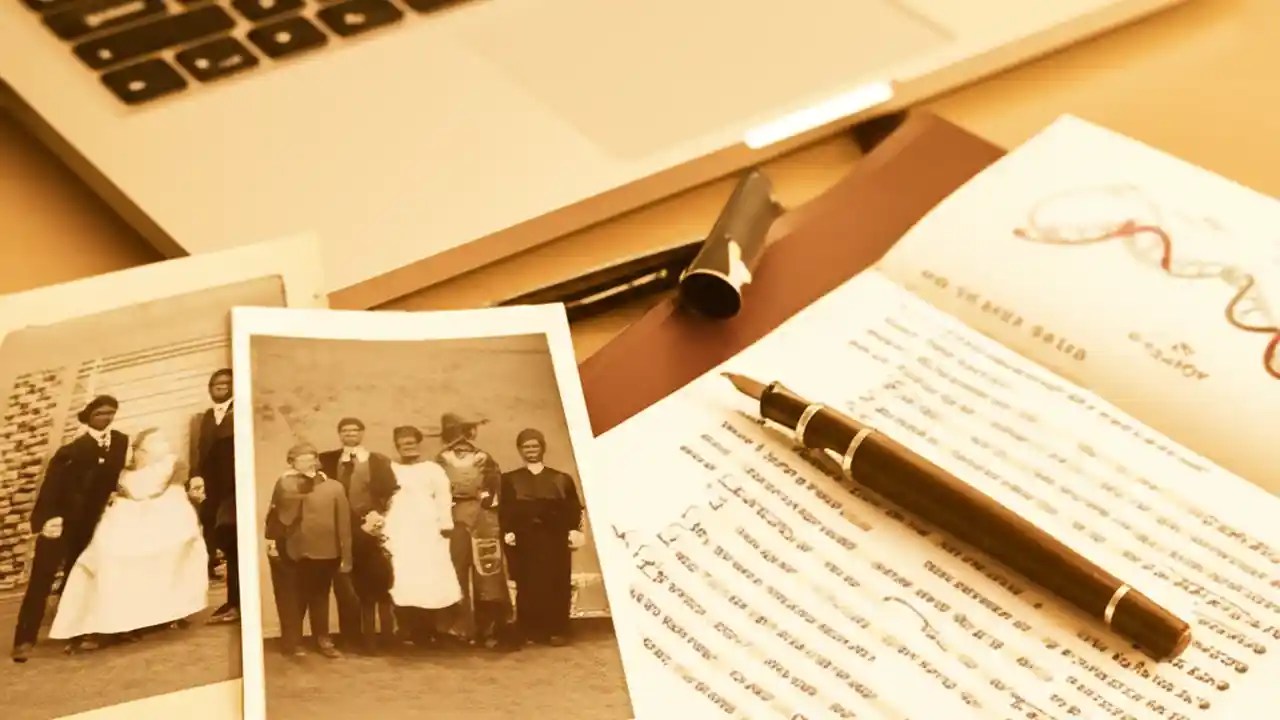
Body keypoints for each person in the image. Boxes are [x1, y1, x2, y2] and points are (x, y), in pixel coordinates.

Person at [48, 428, 208, 643]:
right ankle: (101, 621)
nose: (140, 455)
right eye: (140, 450)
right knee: (106, 557)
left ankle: (162, 613)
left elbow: (168, 501)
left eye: (146, 450)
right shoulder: (122, 475)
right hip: (124, 524)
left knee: (164, 556)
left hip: (160, 526)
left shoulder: (167, 471)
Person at [11, 395, 128, 662]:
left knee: (80, 577)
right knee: (42, 578)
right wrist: (46, 521)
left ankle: (75, 630)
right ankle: (24, 639)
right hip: (61, 521)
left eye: (111, 413)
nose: (106, 418)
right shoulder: (71, 450)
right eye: (100, 414)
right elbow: (51, 487)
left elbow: (114, 475)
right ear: (88, 417)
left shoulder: (120, 441)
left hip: (92, 523)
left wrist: (114, 492)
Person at [265, 442, 352, 659]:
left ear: (316, 460)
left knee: (320, 596)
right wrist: (273, 543)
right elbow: (277, 517)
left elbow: (344, 523)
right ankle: (292, 642)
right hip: (293, 550)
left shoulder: (334, 487)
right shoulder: (285, 484)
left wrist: (345, 554)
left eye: (309, 457)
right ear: (291, 462)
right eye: (299, 459)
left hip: (325, 552)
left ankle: (323, 639)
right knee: (293, 597)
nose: (305, 462)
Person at [318, 417, 398, 652]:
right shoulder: (327, 460)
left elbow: (388, 491)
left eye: (354, 430)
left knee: (374, 581)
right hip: (338, 527)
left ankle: (380, 639)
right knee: (344, 583)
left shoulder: (377, 461)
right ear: (339, 434)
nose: (350, 434)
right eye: (345, 431)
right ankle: (350, 637)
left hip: (368, 527)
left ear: (362, 433)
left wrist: (377, 517)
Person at [499, 428, 585, 647]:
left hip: (554, 539)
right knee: (527, 583)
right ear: (520, 450)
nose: (531, 451)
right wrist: (508, 530)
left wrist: (573, 530)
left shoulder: (560, 478)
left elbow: (572, 507)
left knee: (557, 581)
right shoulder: (510, 479)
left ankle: (557, 630)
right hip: (526, 539)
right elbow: (506, 508)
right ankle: (530, 630)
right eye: (526, 447)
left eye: (534, 446)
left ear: (542, 448)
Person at [434, 412, 512, 649]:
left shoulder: (484, 458)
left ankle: (490, 628)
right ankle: (457, 629)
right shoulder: (440, 460)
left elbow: (495, 485)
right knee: (453, 570)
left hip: (482, 516)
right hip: (451, 516)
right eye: (453, 434)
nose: (459, 440)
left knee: (487, 570)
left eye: (462, 434)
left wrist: (487, 501)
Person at [380, 426, 462, 647]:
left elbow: (444, 496)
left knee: (429, 576)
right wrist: (384, 528)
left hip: (427, 529)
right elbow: (383, 497)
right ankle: (408, 628)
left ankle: (431, 629)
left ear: (418, 444)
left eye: (411, 442)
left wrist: (445, 524)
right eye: (403, 443)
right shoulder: (391, 468)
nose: (408, 446)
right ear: (397, 446)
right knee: (404, 576)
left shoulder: (432, 469)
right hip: (400, 529)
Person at [189, 369, 239, 624]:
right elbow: (199, 452)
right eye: (216, 383)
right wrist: (196, 478)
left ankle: (238, 603)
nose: (221, 386)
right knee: (227, 546)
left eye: (227, 383)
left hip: (236, 490)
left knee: (236, 544)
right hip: (215, 492)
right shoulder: (206, 417)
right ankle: (234, 602)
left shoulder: (242, 411)